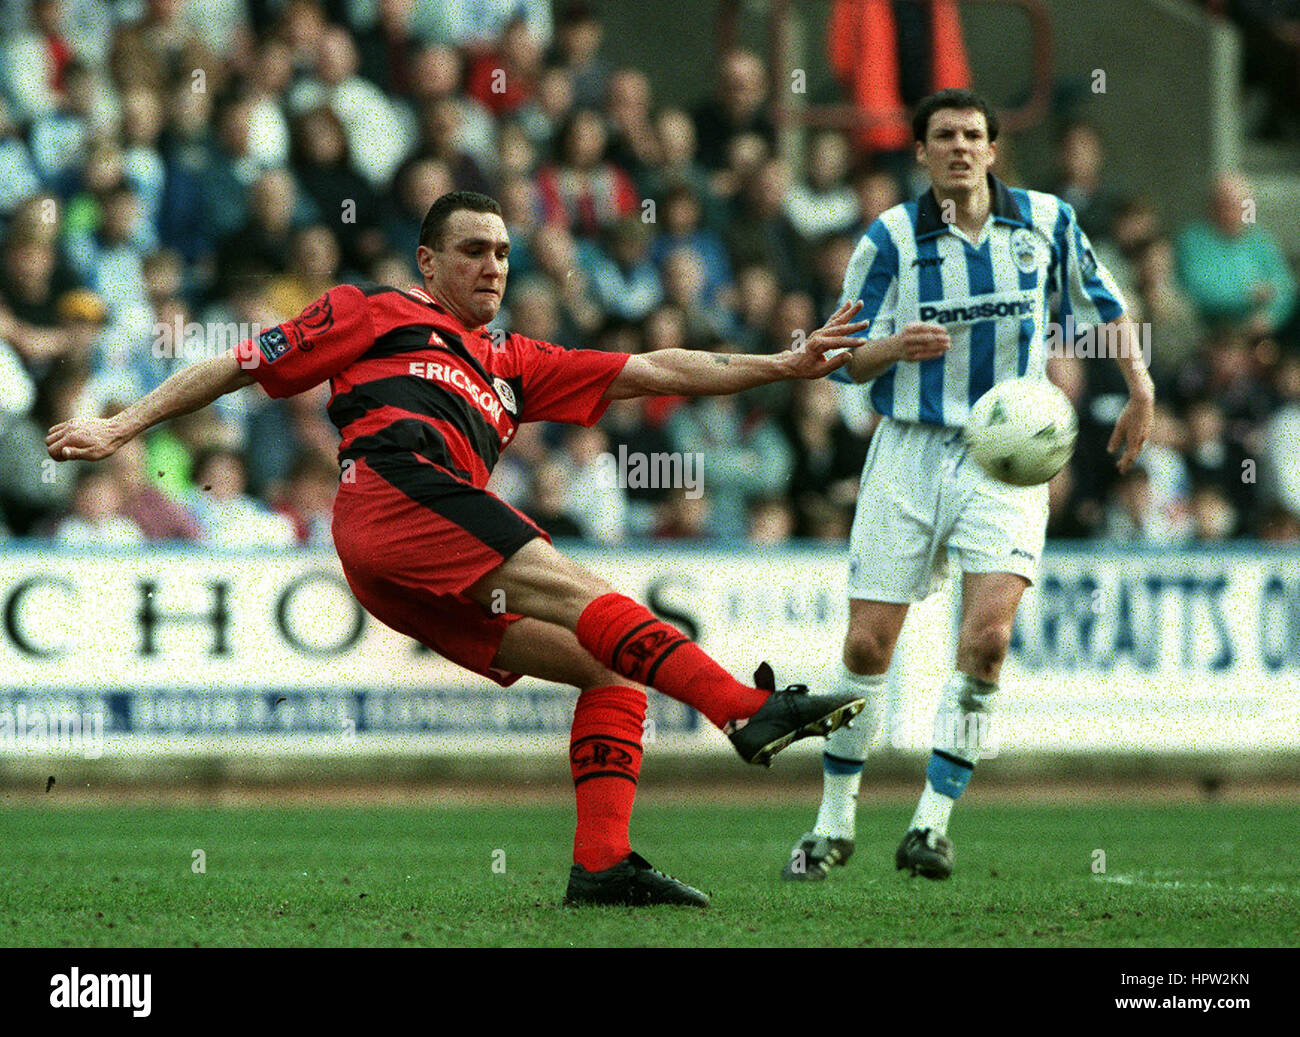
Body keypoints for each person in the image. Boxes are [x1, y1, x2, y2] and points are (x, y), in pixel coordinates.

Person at [46, 190, 870, 908]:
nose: (494, 266)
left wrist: (781, 363)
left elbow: (655, 367)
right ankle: (743, 708)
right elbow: (239, 363)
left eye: (505, 253)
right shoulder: (373, 311)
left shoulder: (514, 362)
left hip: (408, 564)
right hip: (399, 493)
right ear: (428, 262)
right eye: (474, 250)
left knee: (607, 667)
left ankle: (602, 863)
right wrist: (120, 426)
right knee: (585, 591)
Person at [781, 90, 1154, 882]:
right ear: (920, 151)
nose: (960, 146)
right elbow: (841, 356)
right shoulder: (888, 238)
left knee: (986, 639)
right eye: (943, 135)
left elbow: (1104, 302)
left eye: (973, 135)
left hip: (1005, 457)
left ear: (992, 150)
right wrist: (893, 349)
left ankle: (931, 824)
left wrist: (1140, 384)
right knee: (866, 643)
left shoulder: (1047, 222)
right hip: (909, 450)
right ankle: (833, 822)